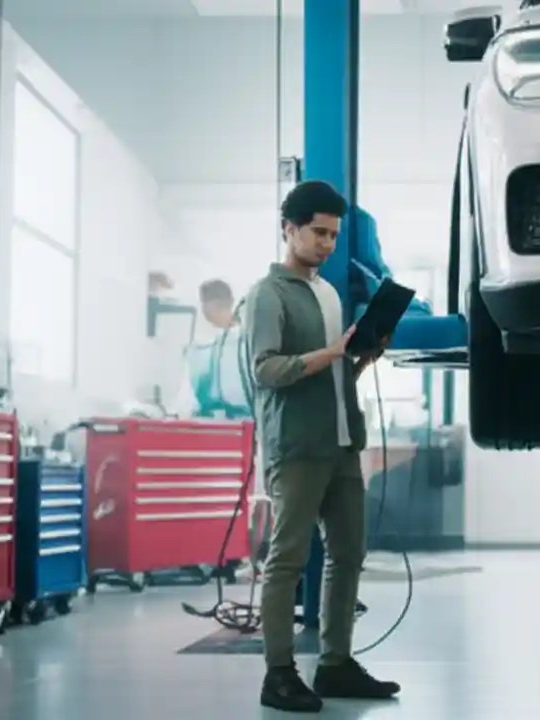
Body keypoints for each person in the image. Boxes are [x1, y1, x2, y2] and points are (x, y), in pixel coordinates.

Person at [244, 180, 399, 713]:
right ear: (288, 229)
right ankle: (279, 674)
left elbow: (331, 375)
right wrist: (332, 352)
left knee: (348, 553)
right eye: (318, 233)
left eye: (333, 235)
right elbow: (266, 370)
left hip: (341, 443)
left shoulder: (329, 294)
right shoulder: (268, 295)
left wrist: (358, 359)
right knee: (287, 558)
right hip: (297, 445)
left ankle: (335, 664)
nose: (328, 244)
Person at [186, 279, 251, 420]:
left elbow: (190, 397)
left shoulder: (204, 346)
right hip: (242, 421)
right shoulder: (246, 339)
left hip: (220, 421)